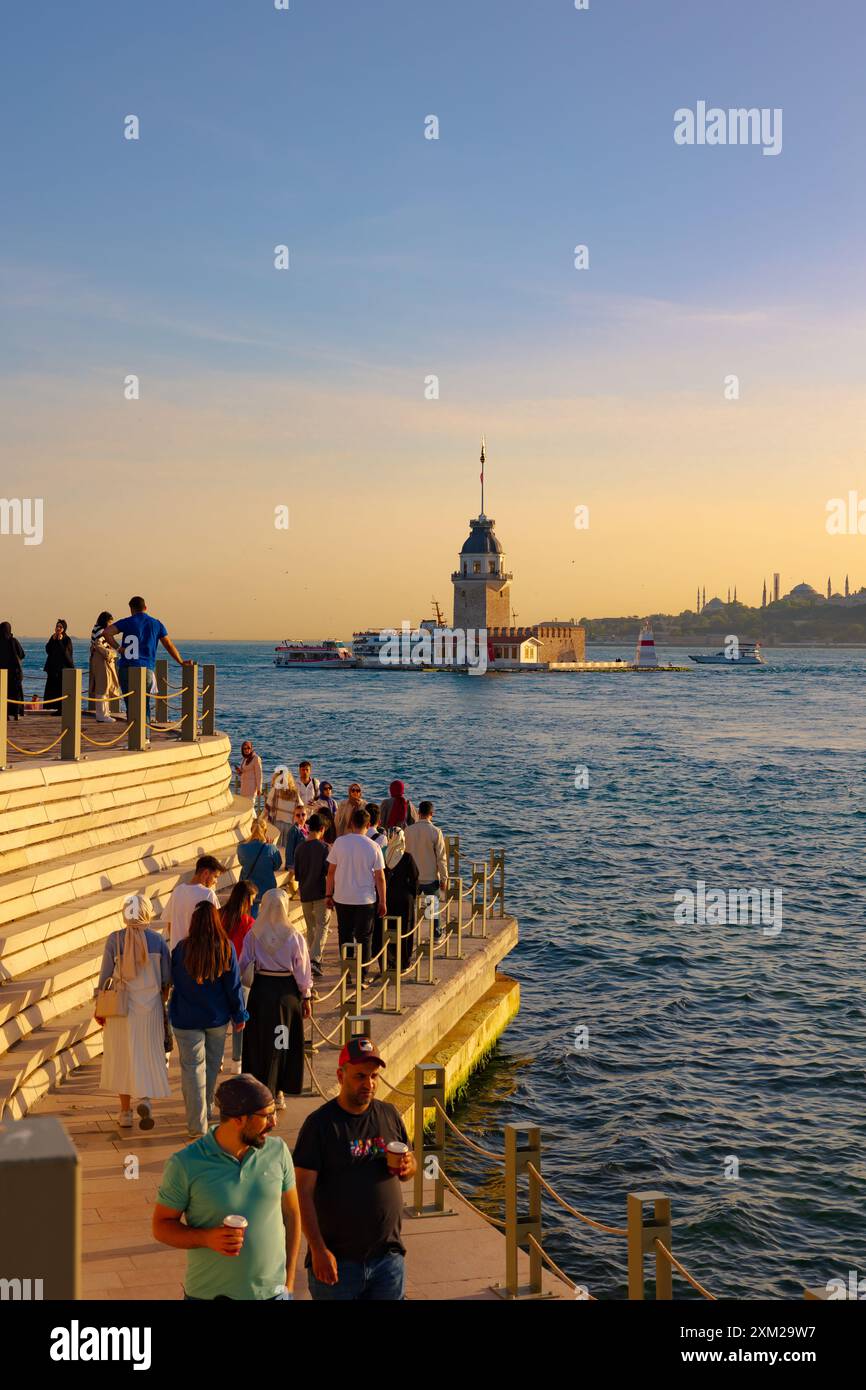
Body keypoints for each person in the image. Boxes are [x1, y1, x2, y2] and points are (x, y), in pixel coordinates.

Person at [152, 1074, 302, 1301]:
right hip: (209, 1296)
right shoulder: (185, 1163)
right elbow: (161, 1226)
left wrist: (289, 1284)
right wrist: (206, 1238)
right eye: (266, 1116)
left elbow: (291, 1215)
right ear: (239, 1119)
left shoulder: (277, 1151)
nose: (274, 1123)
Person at [293, 1036, 416, 1301]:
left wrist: (409, 1167)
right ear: (340, 1075)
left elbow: (411, 1162)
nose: (369, 1084)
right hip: (338, 1264)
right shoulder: (320, 1126)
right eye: (360, 1076)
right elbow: (302, 1192)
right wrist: (318, 1250)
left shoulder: (389, 1114)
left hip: (388, 1260)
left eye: (373, 1077)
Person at [169, 902, 247, 1140]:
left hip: (186, 1018)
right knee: (212, 1067)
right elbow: (233, 986)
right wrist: (239, 1014)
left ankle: (196, 1123)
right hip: (216, 1017)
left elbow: (174, 981)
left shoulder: (181, 949)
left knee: (192, 1070)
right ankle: (207, 1109)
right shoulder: (226, 948)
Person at [94, 894, 171, 1129]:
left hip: (121, 1009)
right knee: (146, 1054)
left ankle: (125, 1113)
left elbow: (105, 975)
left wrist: (98, 1002)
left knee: (122, 1057)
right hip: (150, 1010)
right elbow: (167, 979)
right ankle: (145, 1099)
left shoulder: (114, 940)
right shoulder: (158, 941)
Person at [239, 888, 312, 1107]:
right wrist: (306, 996)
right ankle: (279, 1090)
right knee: (282, 1042)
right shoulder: (294, 936)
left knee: (260, 1041)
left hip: (262, 993)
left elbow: (243, 964)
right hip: (286, 996)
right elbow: (302, 969)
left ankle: (261, 1088)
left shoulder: (253, 934)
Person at [103, 596, 189, 719]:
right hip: (145, 668)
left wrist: (119, 648)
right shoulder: (156, 624)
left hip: (127, 667)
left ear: (131, 609)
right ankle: (145, 736)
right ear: (145, 607)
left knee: (131, 706)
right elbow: (169, 645)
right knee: (144, 705)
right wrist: (181, 661)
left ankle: (134, 734)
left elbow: (106, 632)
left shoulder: (127, 621)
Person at [325, 808, 386, 982]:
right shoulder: (374, 846)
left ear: (351, 823)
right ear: (368, 825)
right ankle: (362, 974)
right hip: (365, 899)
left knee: (345, 935)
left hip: (342, 898)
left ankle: (347, 973)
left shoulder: (339, 843)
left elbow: (331, 872)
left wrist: (328, 895)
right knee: (364, 938)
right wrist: (383, 901)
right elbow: (380, 878)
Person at [220, 880, 258, 1074]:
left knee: (219, 1019)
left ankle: (217, 1056)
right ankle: (236, 1060)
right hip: (240, 975)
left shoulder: (220, 915)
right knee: (239, 1018)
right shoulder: (249, 922)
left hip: (219, 972)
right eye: (252, 899)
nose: (253, 903)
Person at [293, 813, 331, 978]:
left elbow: (298, 874)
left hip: (305, 892)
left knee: (311, 927)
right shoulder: (324, 848)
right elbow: (328, 872)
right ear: (322, 829)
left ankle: (313, 957)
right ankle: (315, 959)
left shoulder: (300, 848)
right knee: (323, 924)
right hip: (321, 892)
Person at [405, 801, 449, 942]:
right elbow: (441, 858)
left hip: (412, 877)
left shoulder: (408, 831)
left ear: (418, 813)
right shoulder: (436, 832)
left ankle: (408, 934)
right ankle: (436, 934)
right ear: (431, 814)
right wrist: (444, 878)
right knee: (433, 907)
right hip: (430, 877)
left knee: (410, 908)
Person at [164, 855, 223, 951]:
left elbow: (169, 925)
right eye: (215, 876)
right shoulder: (208, 894)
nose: (216, 881)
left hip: (177, 953)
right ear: (206, 873)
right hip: (198, 955)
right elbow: (217, 926)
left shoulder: (177, 891)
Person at [383, 828, 420, 969]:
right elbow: (415, 878)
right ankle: (404, 960)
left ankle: (391, 960)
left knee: (390, 928)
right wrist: (413, 894)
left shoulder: (385, 856)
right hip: (405, 900)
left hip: (389, 897)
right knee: (406, 929)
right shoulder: (407, 857)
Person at [237, 816, 282, 918]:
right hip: (267, 889)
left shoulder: (241, 848)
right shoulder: (271, 848)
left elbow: (242, 862)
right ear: (265, 831)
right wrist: (271, 847)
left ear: (251, 830)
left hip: (249, 889)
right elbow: (277, 865)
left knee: (252, 917)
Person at [88, 611, 120, 723]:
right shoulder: (101, 632)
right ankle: (102, 715)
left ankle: (104, 713)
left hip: (98, 660)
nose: (111, 624)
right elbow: (99, 644)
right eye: (110, 621)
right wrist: (111, 653)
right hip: (102, 660)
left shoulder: (96, 629)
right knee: (103, 687)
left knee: (103, 687)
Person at [266, 766, 301, 851]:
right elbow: (300, 807)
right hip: (290, 825)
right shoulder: (295, 794)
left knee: (274, 848)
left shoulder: (275, 790)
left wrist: (261, 821)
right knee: (287, 849)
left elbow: (267, 809)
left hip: (276, 823)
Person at [43, 618, 74, 713]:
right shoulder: (53, 637)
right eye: (57, 626)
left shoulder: (67, 639)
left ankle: (61, 709)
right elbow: (48, 650)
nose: (58, 628)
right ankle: (56, 708)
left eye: (60, 627)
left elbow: (66, 653)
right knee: (53, 689)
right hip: (52, 668)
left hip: (62, 669)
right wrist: (52, 640)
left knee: (61, 689)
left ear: (64, 629)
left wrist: (60, 641)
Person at [0, 621, 25, 720]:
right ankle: (15, 713)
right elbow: (22, 654)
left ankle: (4, 714)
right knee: (15, 694)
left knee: (3, 694)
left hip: (2, 674)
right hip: (14, 673)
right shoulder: (13, 641)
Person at [284, 804, 308, 871]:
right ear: (294, 817)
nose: (301, 817)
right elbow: (289, 850)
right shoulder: (293, 831)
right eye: (298, 815)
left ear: (307, 815)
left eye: (303, 814)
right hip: (297, 865)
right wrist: (290, 866)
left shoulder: (308, 828)